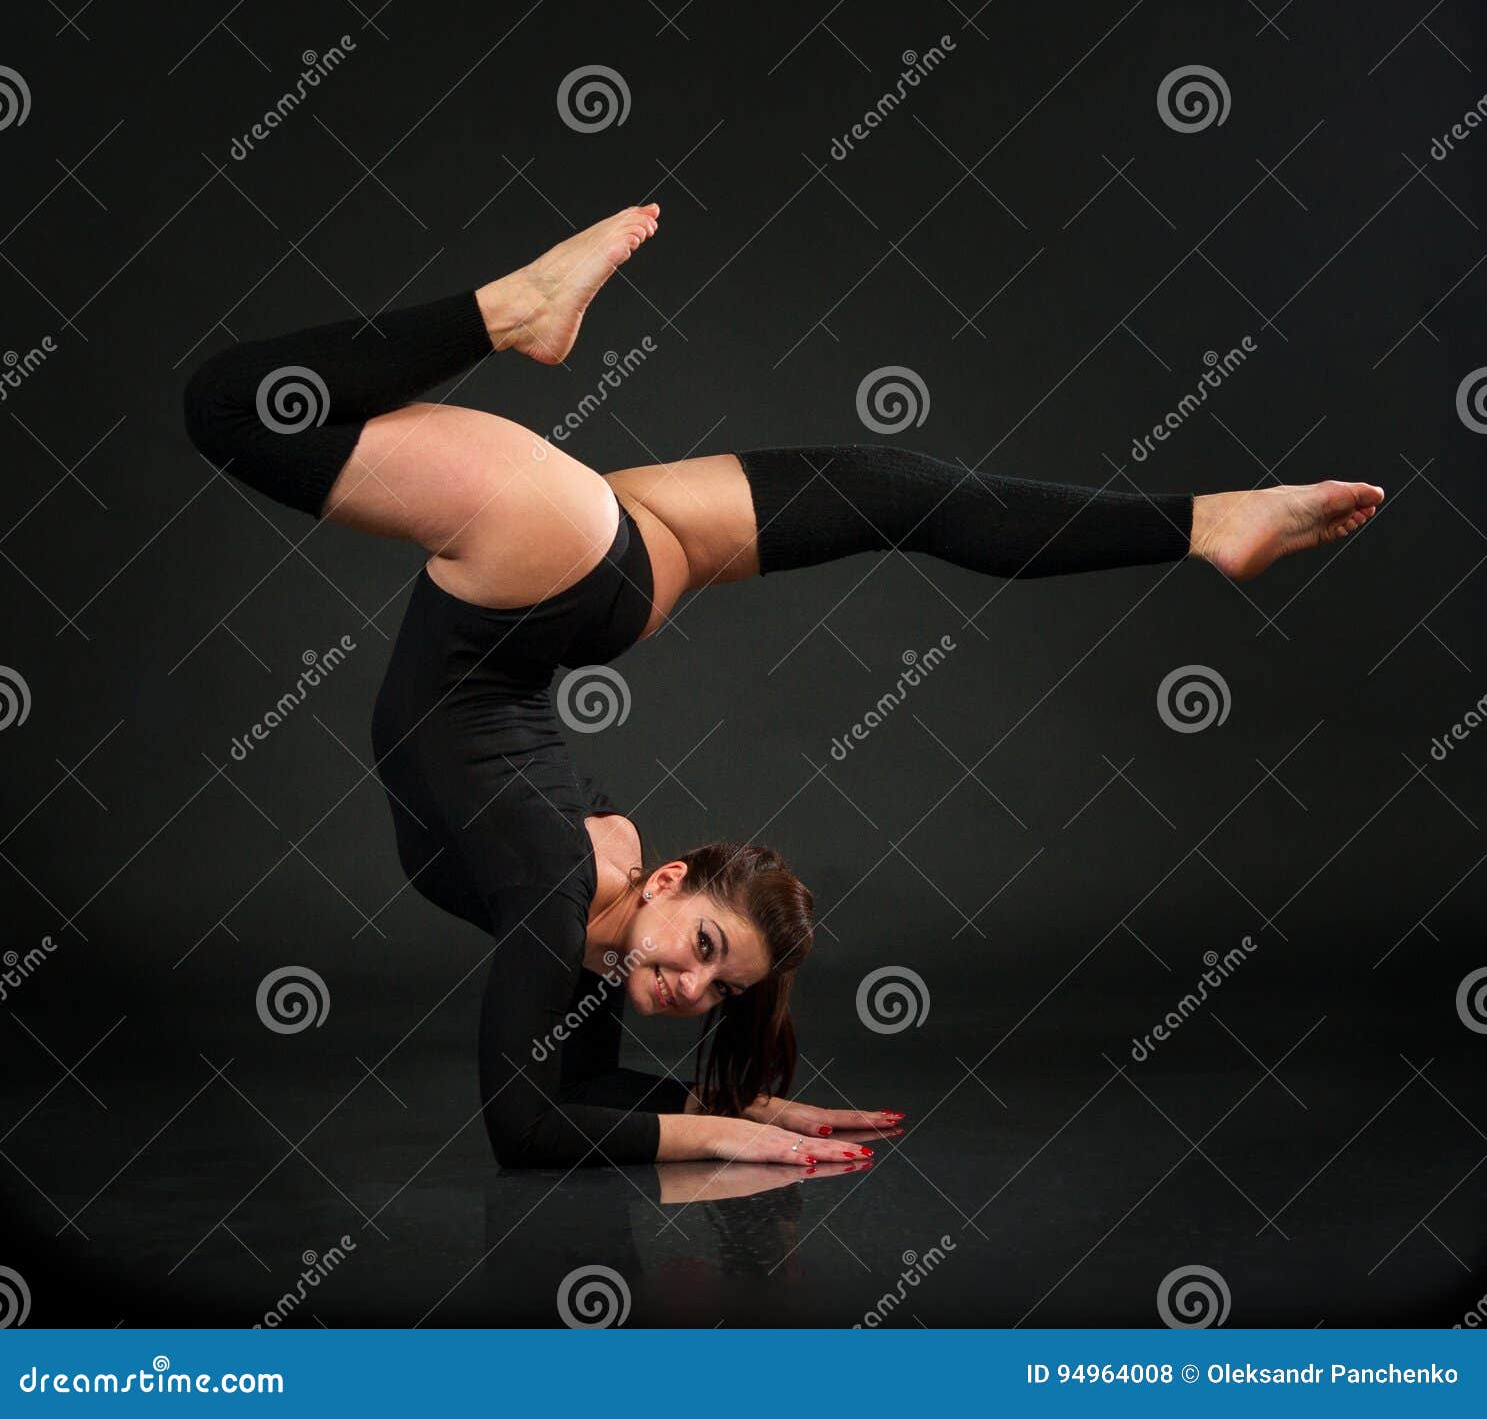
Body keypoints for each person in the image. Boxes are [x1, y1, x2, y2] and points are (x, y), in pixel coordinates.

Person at [182, 202, 1382, 1169]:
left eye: (710, 985)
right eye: (703, 947)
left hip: (585, 579)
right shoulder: (557, 883)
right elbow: (526, 1130)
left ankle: (1211, 522)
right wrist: (724, 1131)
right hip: (542, 569)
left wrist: (754, 1118)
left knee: (899, 490)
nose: (686, 984)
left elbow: (569, 1092)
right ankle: (515, 309)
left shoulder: (580, 928)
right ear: (661, 879)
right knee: (230, 405)